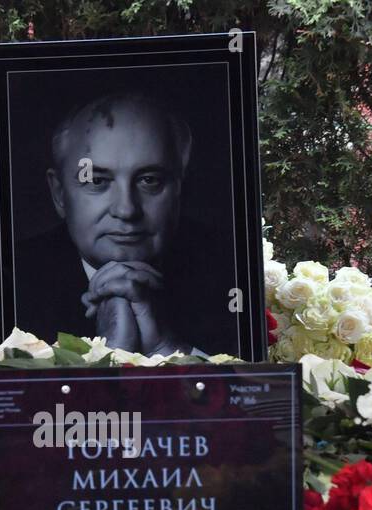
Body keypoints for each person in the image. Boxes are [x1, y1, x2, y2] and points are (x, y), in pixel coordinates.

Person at [13, 92, 234, 356]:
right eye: (97, 181)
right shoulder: (14, 279)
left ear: (179, 188)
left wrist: (170, 350)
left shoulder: (231, 269)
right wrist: (110, 356)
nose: (126, 210)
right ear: (59, 194)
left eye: (149, 180)